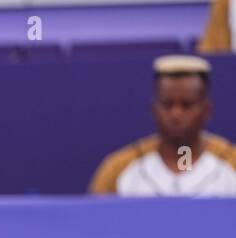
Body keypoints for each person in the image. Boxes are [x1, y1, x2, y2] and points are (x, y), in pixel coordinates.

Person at [89, 55, 236, 197]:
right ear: (154, 109)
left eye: (187, 105)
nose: (176, 114)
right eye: (167, 105)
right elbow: (95, 219)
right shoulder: (117, 170)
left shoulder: (231, 163)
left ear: (206, 110)